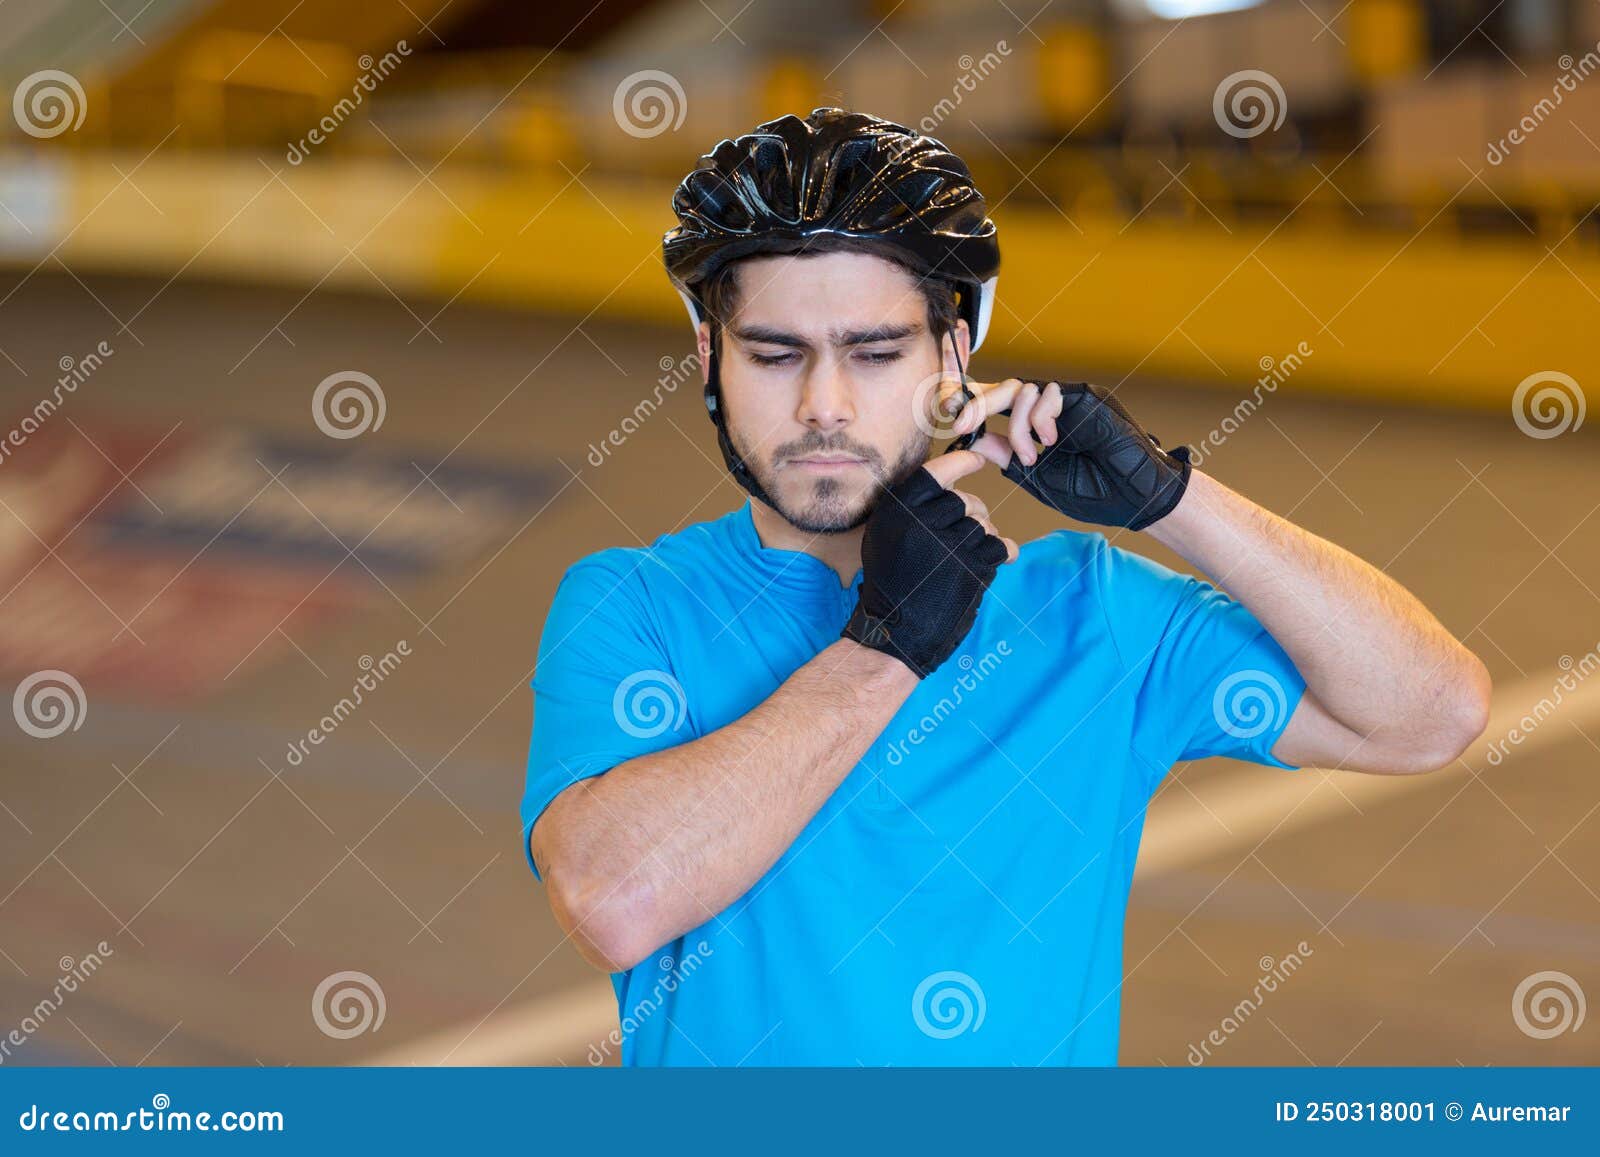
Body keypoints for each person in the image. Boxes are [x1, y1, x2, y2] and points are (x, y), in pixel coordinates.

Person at [519, 108, 1491, 1066]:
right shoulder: (633, 602)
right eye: (775, 355)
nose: (823, 403)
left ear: (953, 356)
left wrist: (1174, 500)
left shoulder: (1089, 609)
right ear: (709, 361)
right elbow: (613, 901)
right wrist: (885, 647)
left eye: (875, 352)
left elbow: (1428, 714)